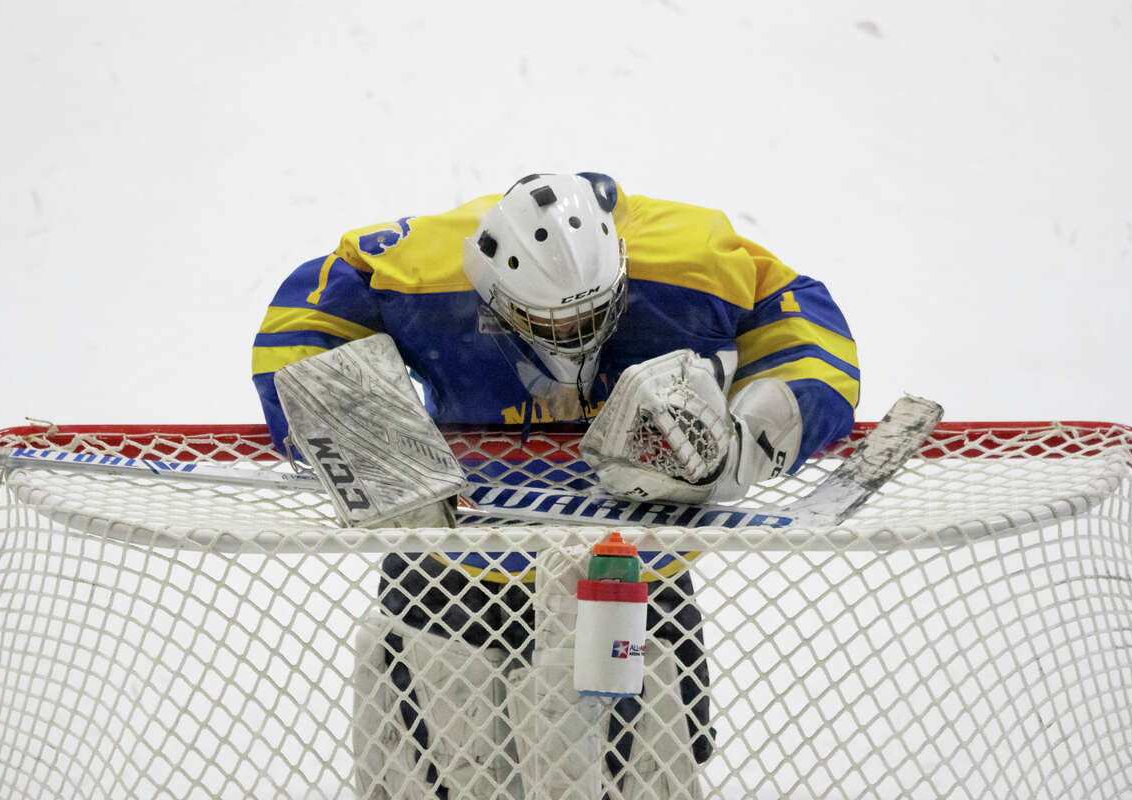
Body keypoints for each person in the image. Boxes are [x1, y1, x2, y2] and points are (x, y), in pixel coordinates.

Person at [252, 172, 859, 797]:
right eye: (545, 322)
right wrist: (362, 442)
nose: (574, 340)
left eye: (594, 317)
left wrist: (752, 437)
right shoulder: (423, 265)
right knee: (443, 781)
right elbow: (305, 312)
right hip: (450, 575)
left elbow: (807, 327)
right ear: (487, 290)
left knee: (646, 784)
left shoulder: (691, 255)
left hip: (633, 581)